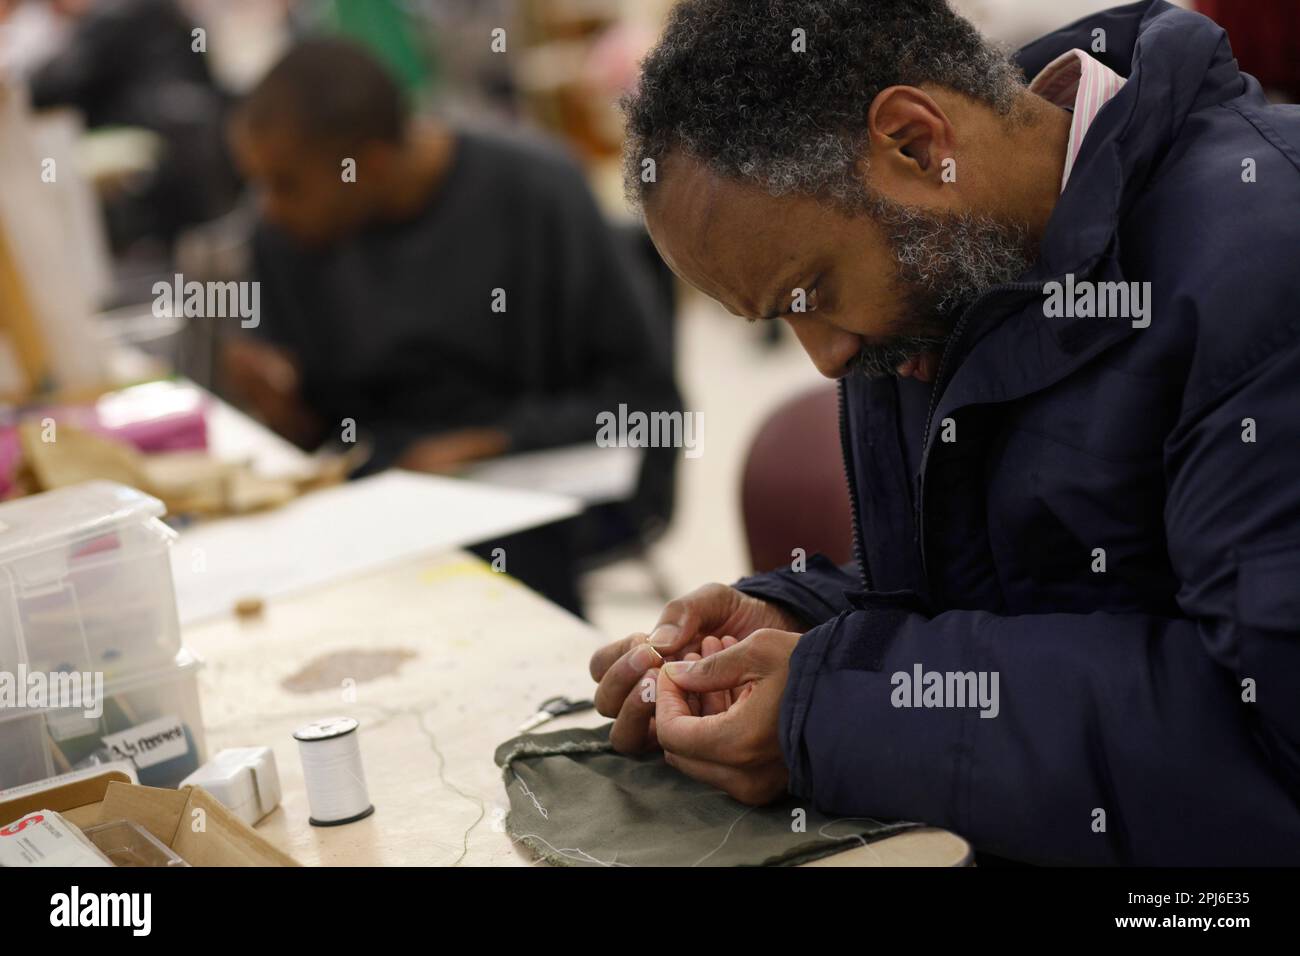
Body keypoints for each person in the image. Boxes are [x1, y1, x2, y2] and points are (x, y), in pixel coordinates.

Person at [588, 0, 1300, 864]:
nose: (825, 359)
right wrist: (805, 626)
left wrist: (837, 707)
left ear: (919, 144)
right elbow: (1027, 597)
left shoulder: (1266, 270)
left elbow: (1268, 751)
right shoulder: (951, 274)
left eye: (811, 290)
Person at [224, 38, 680, 615]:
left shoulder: (535, 194)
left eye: (286, 183)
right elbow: (322, 432)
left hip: (530, 481)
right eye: (256, 182)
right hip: (381, 487)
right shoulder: (287, 236)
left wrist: (490, 443)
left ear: (370, 164)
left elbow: (648, 404)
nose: (268, 207)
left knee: (486, 572)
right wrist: (279, 401)